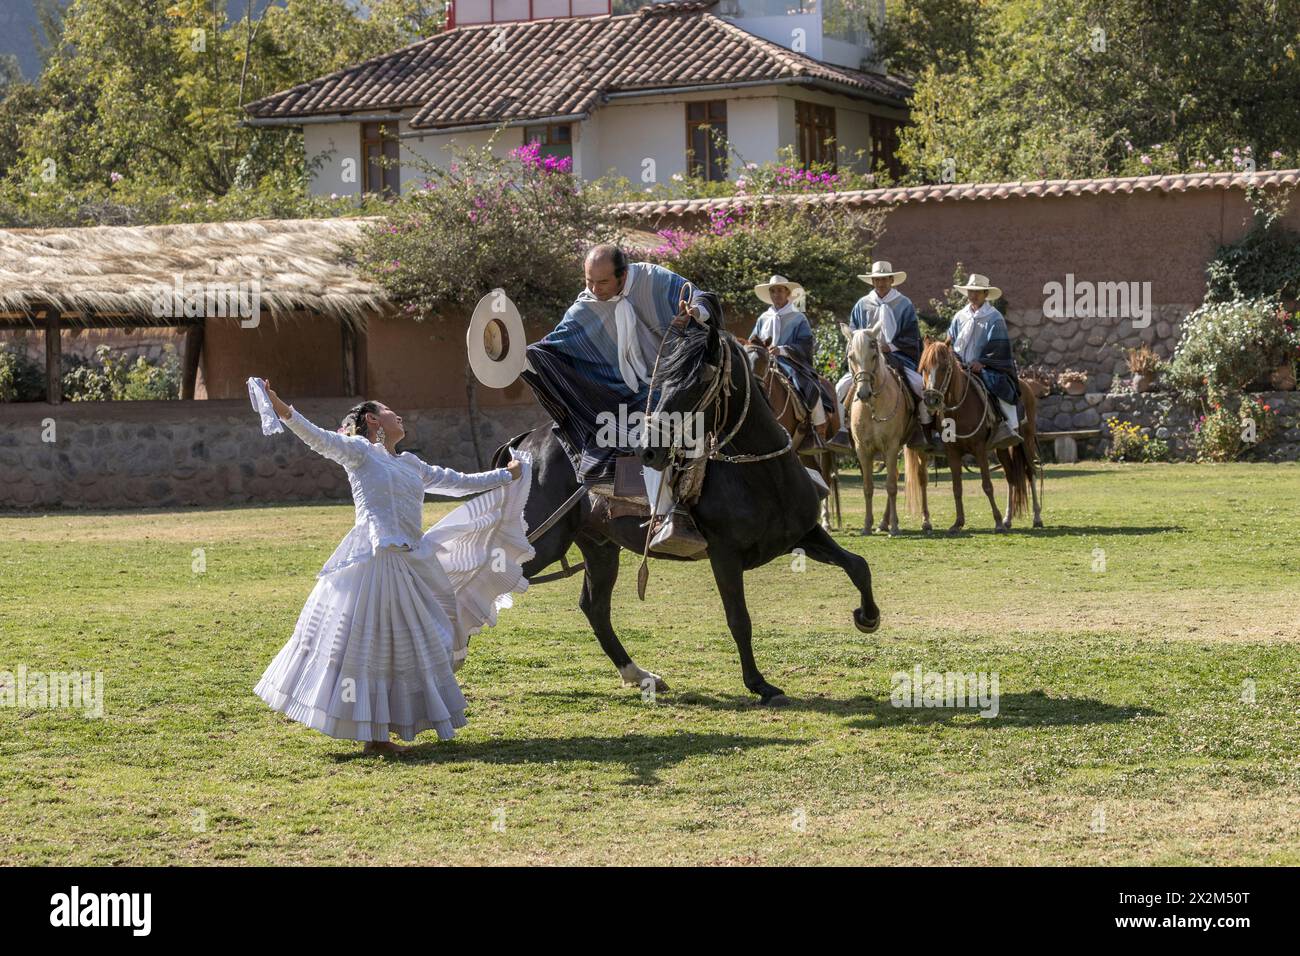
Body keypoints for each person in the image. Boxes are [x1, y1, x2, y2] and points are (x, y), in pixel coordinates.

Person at [252, 380, 530, 755]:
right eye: (388, 410)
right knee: (376, 644)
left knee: (414, 643)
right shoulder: (360, 453)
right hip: (376, 561)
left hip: (411, 562)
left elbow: (458, 482)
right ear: (372, 420)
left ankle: (384, 730)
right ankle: (376, 738)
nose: (398, 414)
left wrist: (506, 475)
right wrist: (280, 406)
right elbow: (315, 437)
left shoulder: (411, 464)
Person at [522, 244, 715, 557]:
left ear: (623, 275)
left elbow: (701, 297)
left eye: (602, 283)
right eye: (588, 282)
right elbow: (554, 344)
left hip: (673, 382)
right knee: (651, 435)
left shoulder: (656, 280)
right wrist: (523, 358)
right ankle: (665, 514)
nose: (594, 290)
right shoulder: (586, 305)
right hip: (625, 393)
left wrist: (696, 313)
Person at [832, 260, 931, 451]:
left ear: (891, 280)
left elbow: (911, 336)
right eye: (877, 280)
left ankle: (923, 429)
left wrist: (890, 347)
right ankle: (843, 430)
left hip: (897, 356)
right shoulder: (862, 304)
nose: (881, 283)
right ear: (872, 281)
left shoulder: (904, 304)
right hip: (867, 361)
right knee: (839, 388)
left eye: (884, 279)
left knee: (920, 385)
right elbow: (852, 332)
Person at [749, 274, 832, 449]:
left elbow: (806, 344)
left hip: (790, 363)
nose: (776, 294)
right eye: (773, 291)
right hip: (764, 363)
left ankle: (816, 430)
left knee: (808, 385)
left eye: (780, 290)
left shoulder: (798, 318)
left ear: (787, 293)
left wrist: (782, 350)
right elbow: (753, 341)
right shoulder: (763, 318)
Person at [947, 273, 1022, 450]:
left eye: (978, 292)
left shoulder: (995, 318)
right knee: (940, 390)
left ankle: (1009, 425)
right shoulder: (959, 316)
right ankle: (944, 435)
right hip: (960, 367)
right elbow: (950, 339)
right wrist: (954, 359)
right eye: (971, 291)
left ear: (986, 294)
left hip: (985, 367)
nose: (973, 295)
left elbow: (999, 348)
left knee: (998, 388)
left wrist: (982, 363)